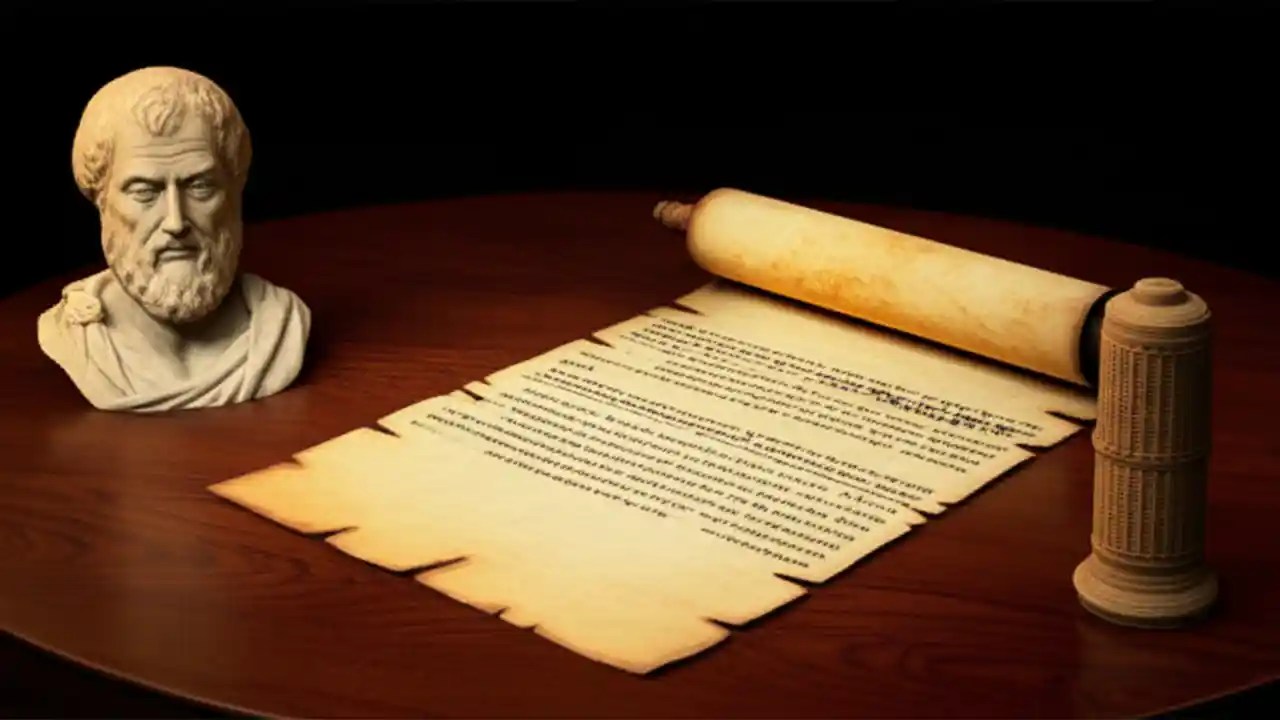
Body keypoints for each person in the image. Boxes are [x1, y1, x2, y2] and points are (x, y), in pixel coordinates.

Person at [37, 66, 311, 412]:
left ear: (235, 190)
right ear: (101, 199)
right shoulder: (80, 336)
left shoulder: (278, 325)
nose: (176, 222)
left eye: (200, 187)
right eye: (144, 191)